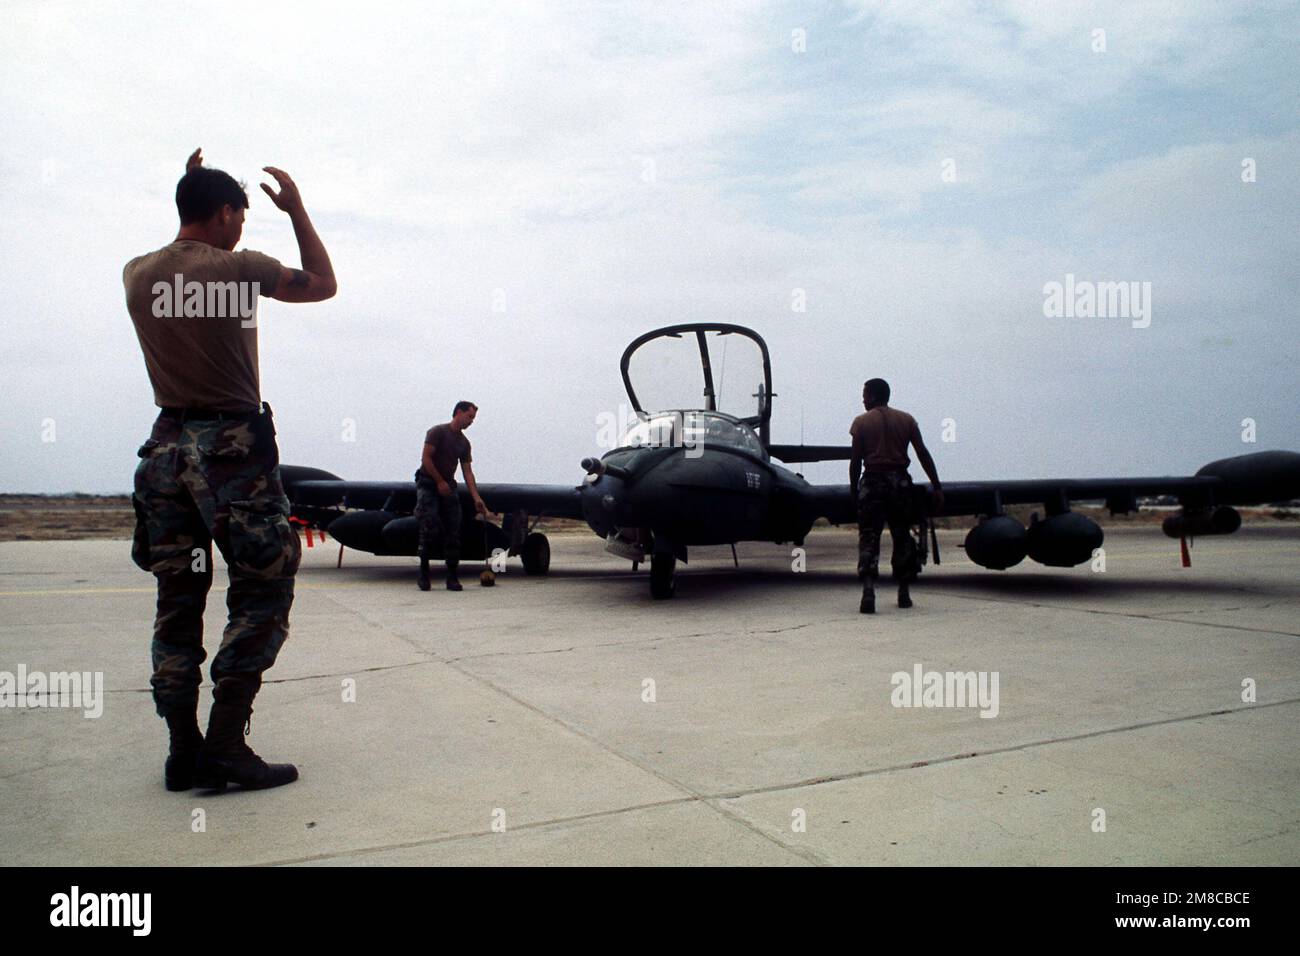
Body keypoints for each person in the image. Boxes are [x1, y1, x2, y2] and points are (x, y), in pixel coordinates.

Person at [124, 148, 336, 791]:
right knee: (265, 585)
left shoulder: (136, 274)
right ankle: (225, 743)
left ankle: (182, 750)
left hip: (163, 450)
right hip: (231, 451)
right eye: (240, 216)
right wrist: (297, 210)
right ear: (224, 214)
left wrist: (190, 180)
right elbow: (323, 284)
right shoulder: (241, 271)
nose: (242, 229)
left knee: (177, 601)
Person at [848, 378, 944, 614]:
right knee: (902, 536)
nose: (862, 399)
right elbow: (922, 453)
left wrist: (854, 489)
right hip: (900, 483)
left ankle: (868, 590)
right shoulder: (907, 420)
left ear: (872, 396)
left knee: (869, 536)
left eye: (864, 394)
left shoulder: (861, 422)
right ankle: (903, 591)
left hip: (872, 482)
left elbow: (856, 460)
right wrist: (937, 485)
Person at [415, 402, 489, 591]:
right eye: (469, 417)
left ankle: (452, 577)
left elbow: (468, 472)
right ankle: (424, 574)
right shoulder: (437, 432)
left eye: (473, 418)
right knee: (429, 525)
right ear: (459, 413)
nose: (471, 421)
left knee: (454, 530)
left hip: (448, 486)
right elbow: (426, 458)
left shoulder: (464, 443)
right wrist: (439, 482)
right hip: (428, 484)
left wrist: (476, 498)